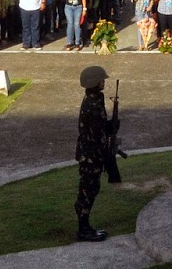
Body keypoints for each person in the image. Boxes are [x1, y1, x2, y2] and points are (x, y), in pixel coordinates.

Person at [74, 65, 111, 242]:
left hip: (90, 152)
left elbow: (100, 127)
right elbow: (97, 132)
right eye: (101, 80)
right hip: (91, 154)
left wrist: (110, 126)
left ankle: (85, 226)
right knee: (88, 190)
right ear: (95, 83)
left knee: (91, 189)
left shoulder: (95, 99)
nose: (104, 82)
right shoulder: (93, 103)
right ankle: (83, 229)